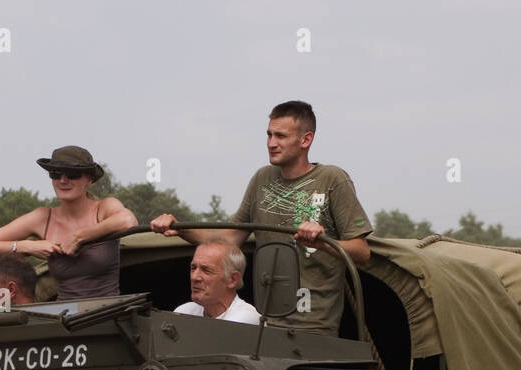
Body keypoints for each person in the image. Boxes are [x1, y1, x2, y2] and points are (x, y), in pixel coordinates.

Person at [151, 101, 373, 335]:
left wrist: (322, 242)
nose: (271, 143)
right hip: (268, 323)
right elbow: (229, 239)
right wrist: (180, 228)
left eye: (280, 136)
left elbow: (362, 251)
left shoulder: (332, 179)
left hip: (314, 326)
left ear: (305, 140)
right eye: (269, 135)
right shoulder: (262, 179)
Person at [0, 146, 138, 299]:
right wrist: (27, 246)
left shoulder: (104, 208)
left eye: (72, 174)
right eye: (56, 174)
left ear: (89, 179)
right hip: (64, 321)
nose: (63, 180)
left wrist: (79, 237)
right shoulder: (43, 218)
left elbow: (128, 221)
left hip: (109, 316)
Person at [174, 240, 260, 325]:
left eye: (206, 270)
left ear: (232, 279)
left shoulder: (245, 318)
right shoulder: (184, 311)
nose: (194, 277)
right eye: (193, 268)